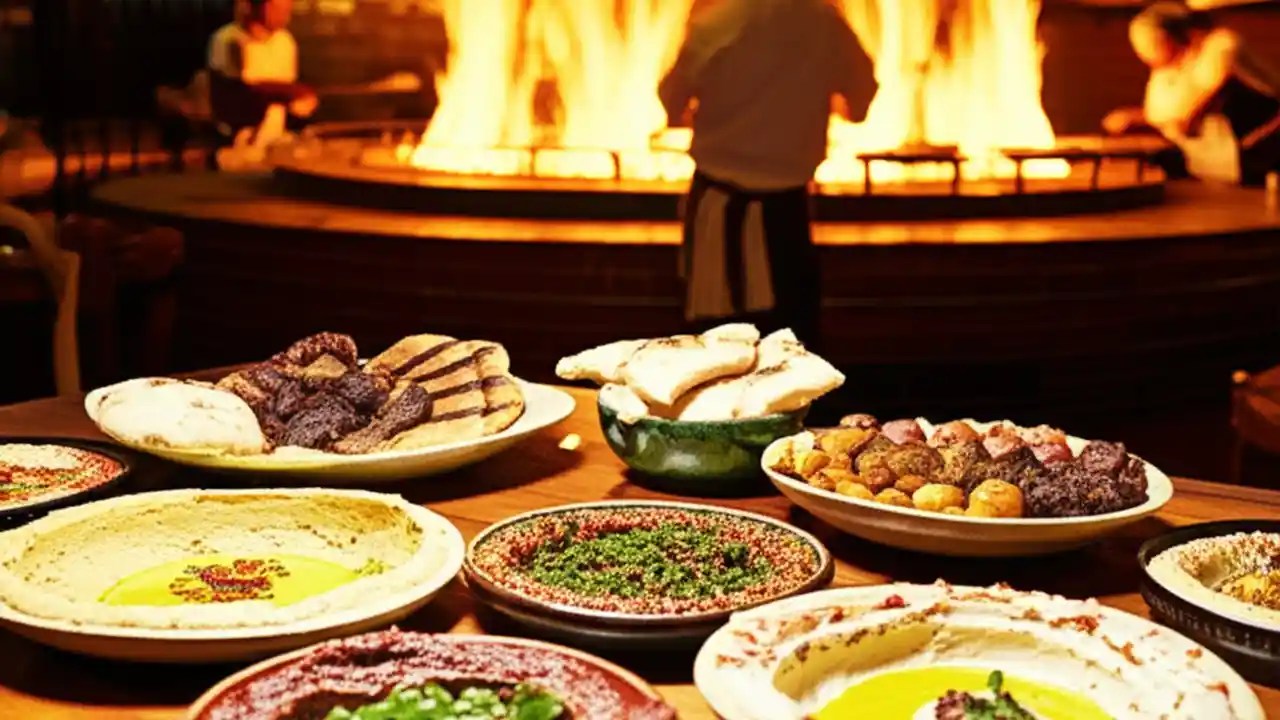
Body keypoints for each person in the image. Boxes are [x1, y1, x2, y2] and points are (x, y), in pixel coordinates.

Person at [658, 0, 873, 349]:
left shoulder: (716, 23)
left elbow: (671, 98)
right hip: (785, 213)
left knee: (715, 347)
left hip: (719, 209)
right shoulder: (824, 23)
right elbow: (861, 95)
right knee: (791, 345)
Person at [1103, 2, 1280, 186]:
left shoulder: (1220, 46)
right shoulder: (1167, 69)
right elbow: (1160, 114)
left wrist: (1140, 120)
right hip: (1221, 168)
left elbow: (1188, 117)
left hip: (1262, 149)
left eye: (1154, 44)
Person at [206, 0, 316, 147]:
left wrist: (298, 100)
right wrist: (292, 92)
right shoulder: (226, 39)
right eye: (278, 8)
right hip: (237, 139)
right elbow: (242, 91)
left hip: (274, 138)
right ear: (255, 5)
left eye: (287, 9)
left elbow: (285, 94)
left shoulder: (285, 42)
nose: (285, 15)